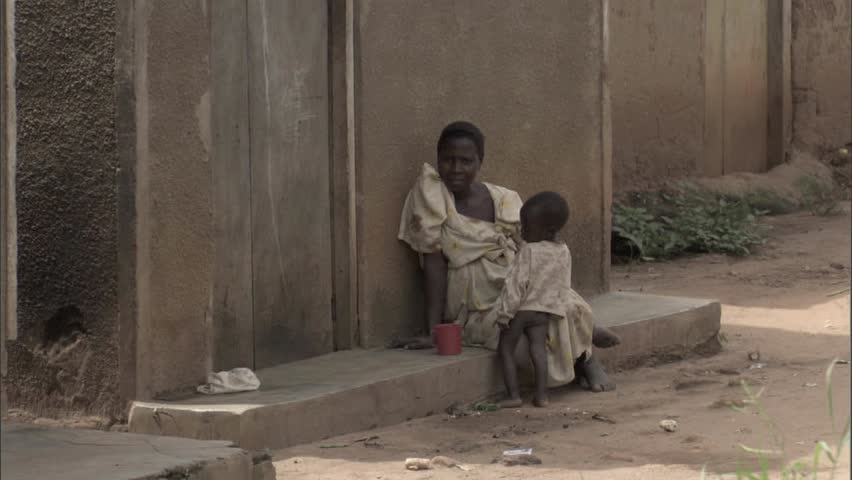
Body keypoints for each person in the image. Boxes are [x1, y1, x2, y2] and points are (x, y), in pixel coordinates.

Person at [397, 121, 617, 392]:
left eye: (466, 161)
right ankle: (583, 344)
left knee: (561, 303)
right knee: (517, 341)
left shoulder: (503, 198)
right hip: (475, 300)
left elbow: (535, 252)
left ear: (480, 162)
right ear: (437, 159)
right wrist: (434, 329)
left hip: (515, 279)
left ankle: (588, 359)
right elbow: (432, 264)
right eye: (447, 160)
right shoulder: (431, 197)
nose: (455, 169)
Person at [496, 191, 600, 408]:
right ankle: (541, 396)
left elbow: (515, 285)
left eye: (527, 227)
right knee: (539, 351)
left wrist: (505, 314)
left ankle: (513, 396)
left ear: (549, 229)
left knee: (505, 348)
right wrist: (556, 309)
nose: (522, 231)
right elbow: (562, 285)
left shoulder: (528, 251)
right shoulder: (563, 251)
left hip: (523, 311)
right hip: (544, 312)